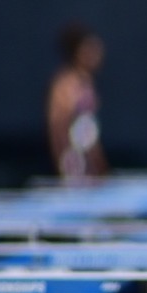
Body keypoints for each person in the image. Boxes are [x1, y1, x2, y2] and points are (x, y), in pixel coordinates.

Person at [46, 23, 106, 181]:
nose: (96, 54)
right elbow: (58, 126)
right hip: (73, 159)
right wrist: (64, 161)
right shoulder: (64, 83)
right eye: (90, 49)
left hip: (89, 156)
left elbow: (89, 128)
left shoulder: (87, 82)